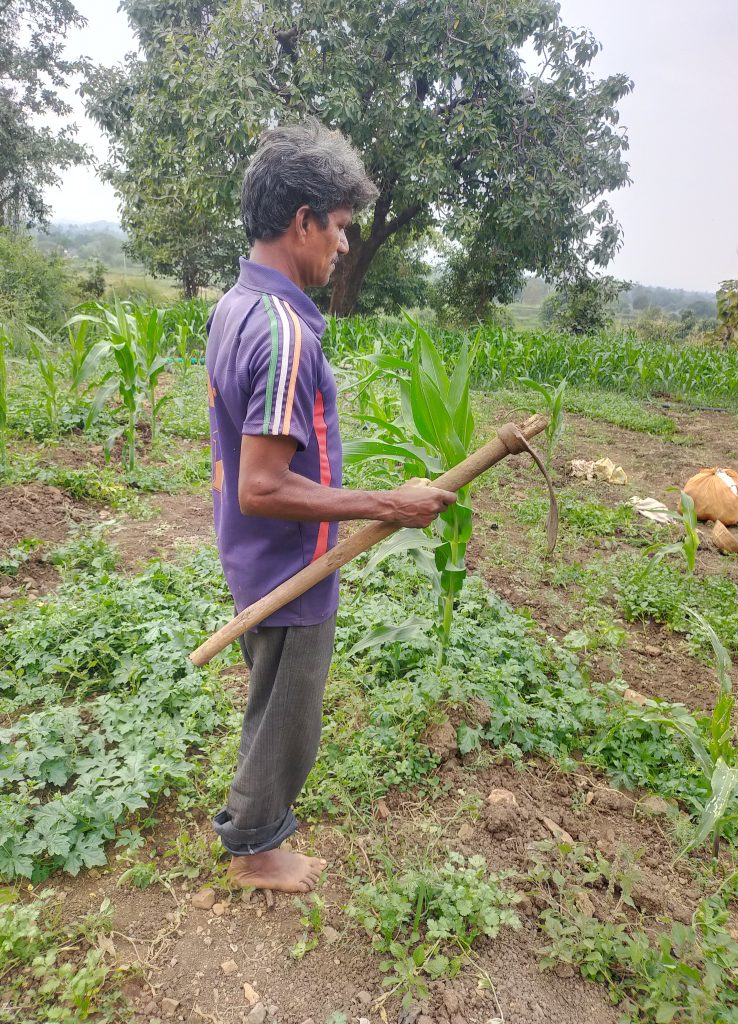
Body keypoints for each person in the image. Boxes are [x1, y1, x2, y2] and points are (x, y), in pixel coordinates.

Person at [205, 120, 456, 894]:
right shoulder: (284, 334)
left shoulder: (234, 305)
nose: (344, 247)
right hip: (290, 562)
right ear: (303, 221)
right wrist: (392, 501)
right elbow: (263, 484)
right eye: (341, 228)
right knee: (288, 714)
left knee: (273, 698)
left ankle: (256, 830)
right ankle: (255, 847)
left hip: (254, 554)